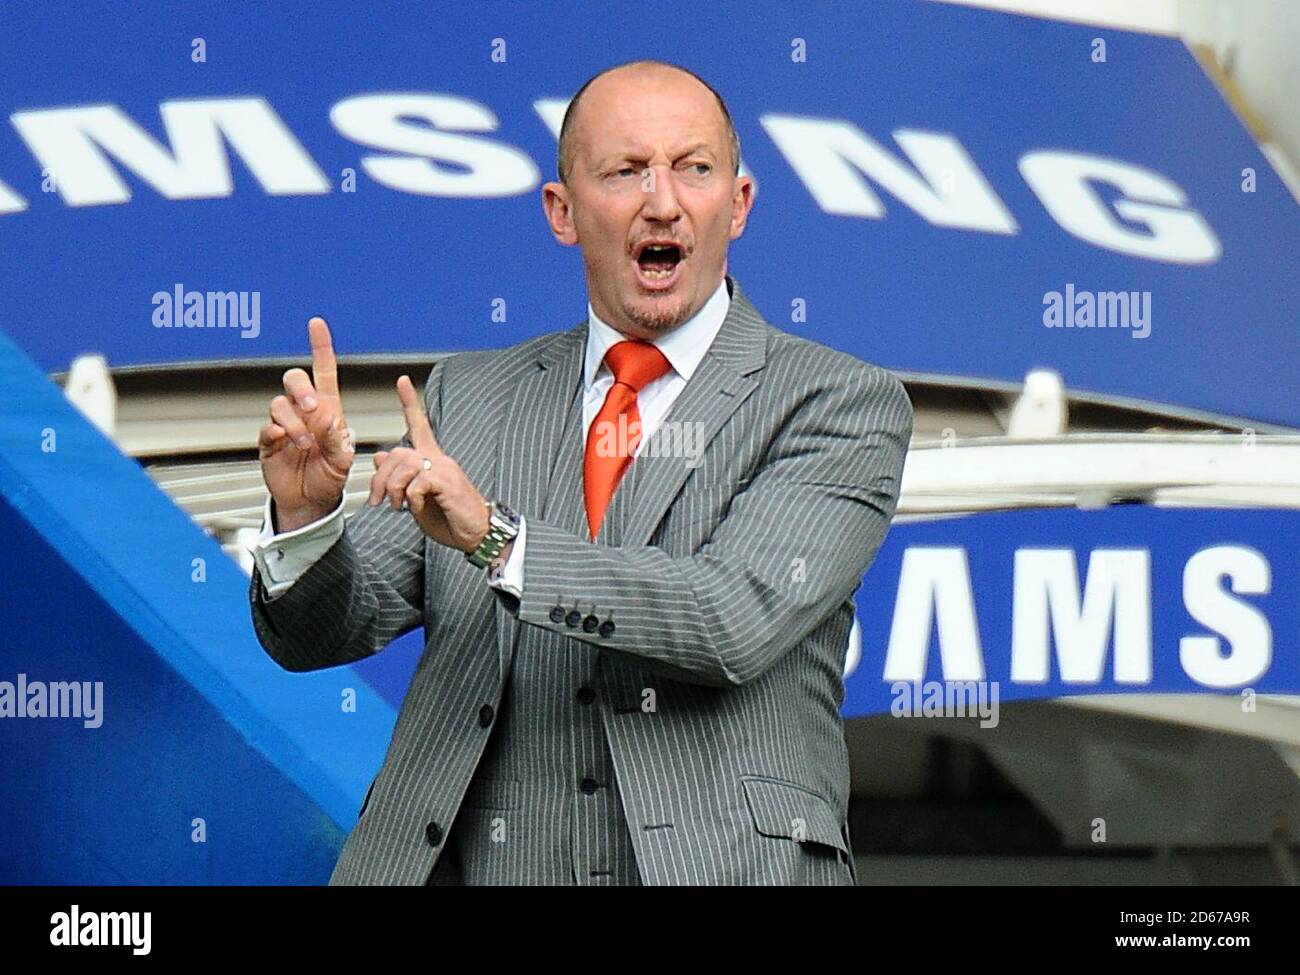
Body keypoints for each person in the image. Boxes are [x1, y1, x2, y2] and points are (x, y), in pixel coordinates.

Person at [248, 59, 913, 885]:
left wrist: (497, 539)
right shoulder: (471, 393)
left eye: (693, 168)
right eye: (625, 171)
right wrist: (307, 520)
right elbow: (320, 632)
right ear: (563, 212)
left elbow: (730, 620)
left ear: (738, 204)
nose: (662, 200)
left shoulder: (841, 400)